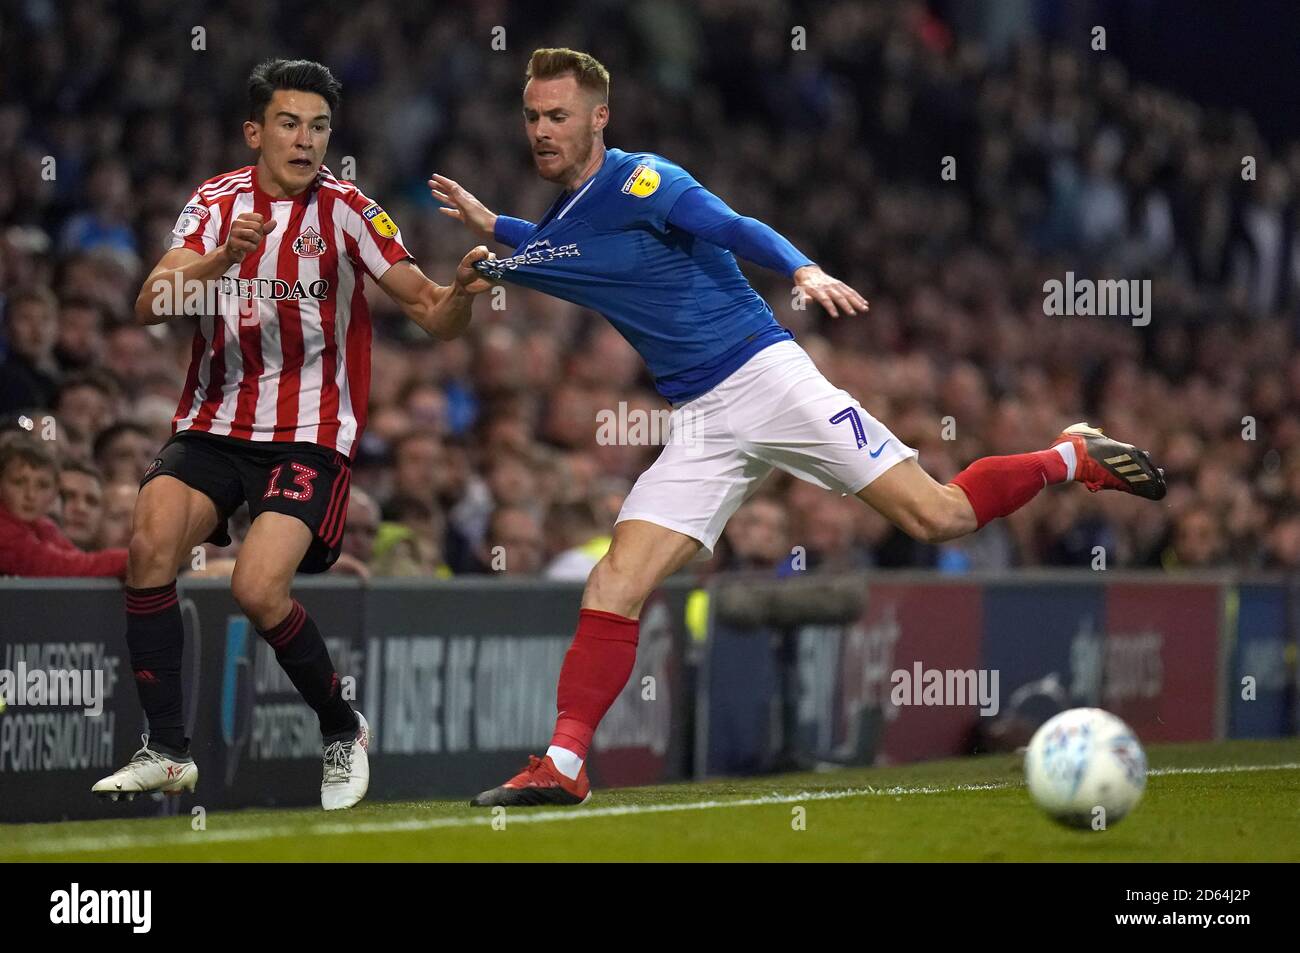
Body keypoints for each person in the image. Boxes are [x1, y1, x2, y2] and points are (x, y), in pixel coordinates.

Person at [432, 48, 1167, 807]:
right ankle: (564, 763)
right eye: (532, 116)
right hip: (703, 420)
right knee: (614, 578)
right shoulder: (562, 222)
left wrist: (802, 268)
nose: (543, 130)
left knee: (938, 514)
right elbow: (570, 246)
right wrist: (499, 224)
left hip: (768, 379)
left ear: (599, 118)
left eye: (558, 115)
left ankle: (1069, 456)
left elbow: (729, 223)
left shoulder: (642, 177)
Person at [92, 58, 493, 810]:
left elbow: (434, 314)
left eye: (318, 127)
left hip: (308, 433)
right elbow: (150, 302)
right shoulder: (214, 204)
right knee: (148, 545)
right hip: (211, 423)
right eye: (288, 123)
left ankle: (341, 727)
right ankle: (169, 748)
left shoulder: (350, 211)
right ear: (255, 132)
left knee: (255, 584)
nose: (305, 140)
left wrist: (465, 291)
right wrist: (223, 258)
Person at [0, 435, 127, 578]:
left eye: (42, 485)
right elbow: (65, 567)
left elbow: (75, 558)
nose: (31, 495)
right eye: (18, 482)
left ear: (54, 493)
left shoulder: (44, 526)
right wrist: (133, 558)